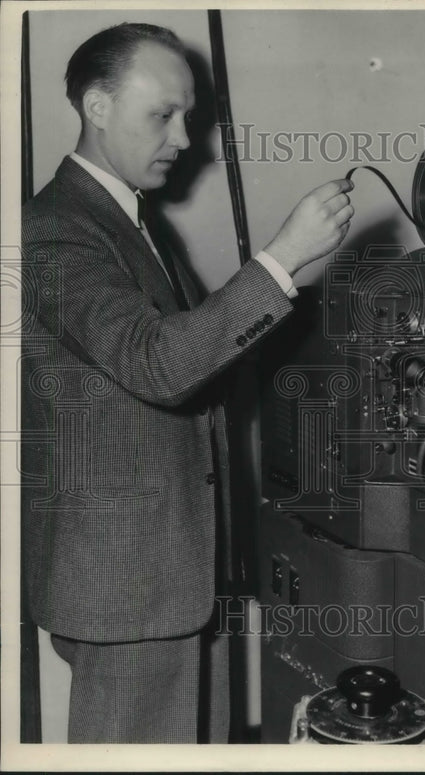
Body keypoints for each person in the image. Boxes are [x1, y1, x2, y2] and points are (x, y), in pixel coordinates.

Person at [20, 22, 354, 744]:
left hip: (176, 569)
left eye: (188, 115)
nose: (182, 136)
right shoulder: (52, 227)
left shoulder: (132, 223)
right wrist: (282, 258)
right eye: (161, 114)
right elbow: (158, 363)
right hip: (128, 582)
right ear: (97, 105)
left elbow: (191, 363)